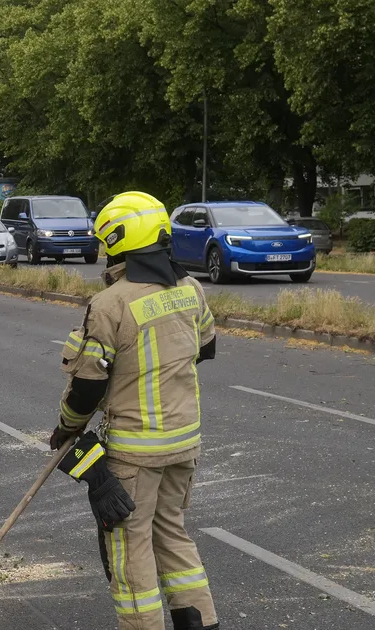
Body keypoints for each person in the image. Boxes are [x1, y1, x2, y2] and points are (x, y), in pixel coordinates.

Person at [49, 191, 219, 630]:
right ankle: (201, 623)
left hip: (135, 452)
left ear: (119, 241)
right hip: (184, 443)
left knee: (129, 551)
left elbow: (88, 384)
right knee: (172, 534)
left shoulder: (111, 304)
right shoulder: (191, 288)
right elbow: (205, 349)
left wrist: (66, 429)